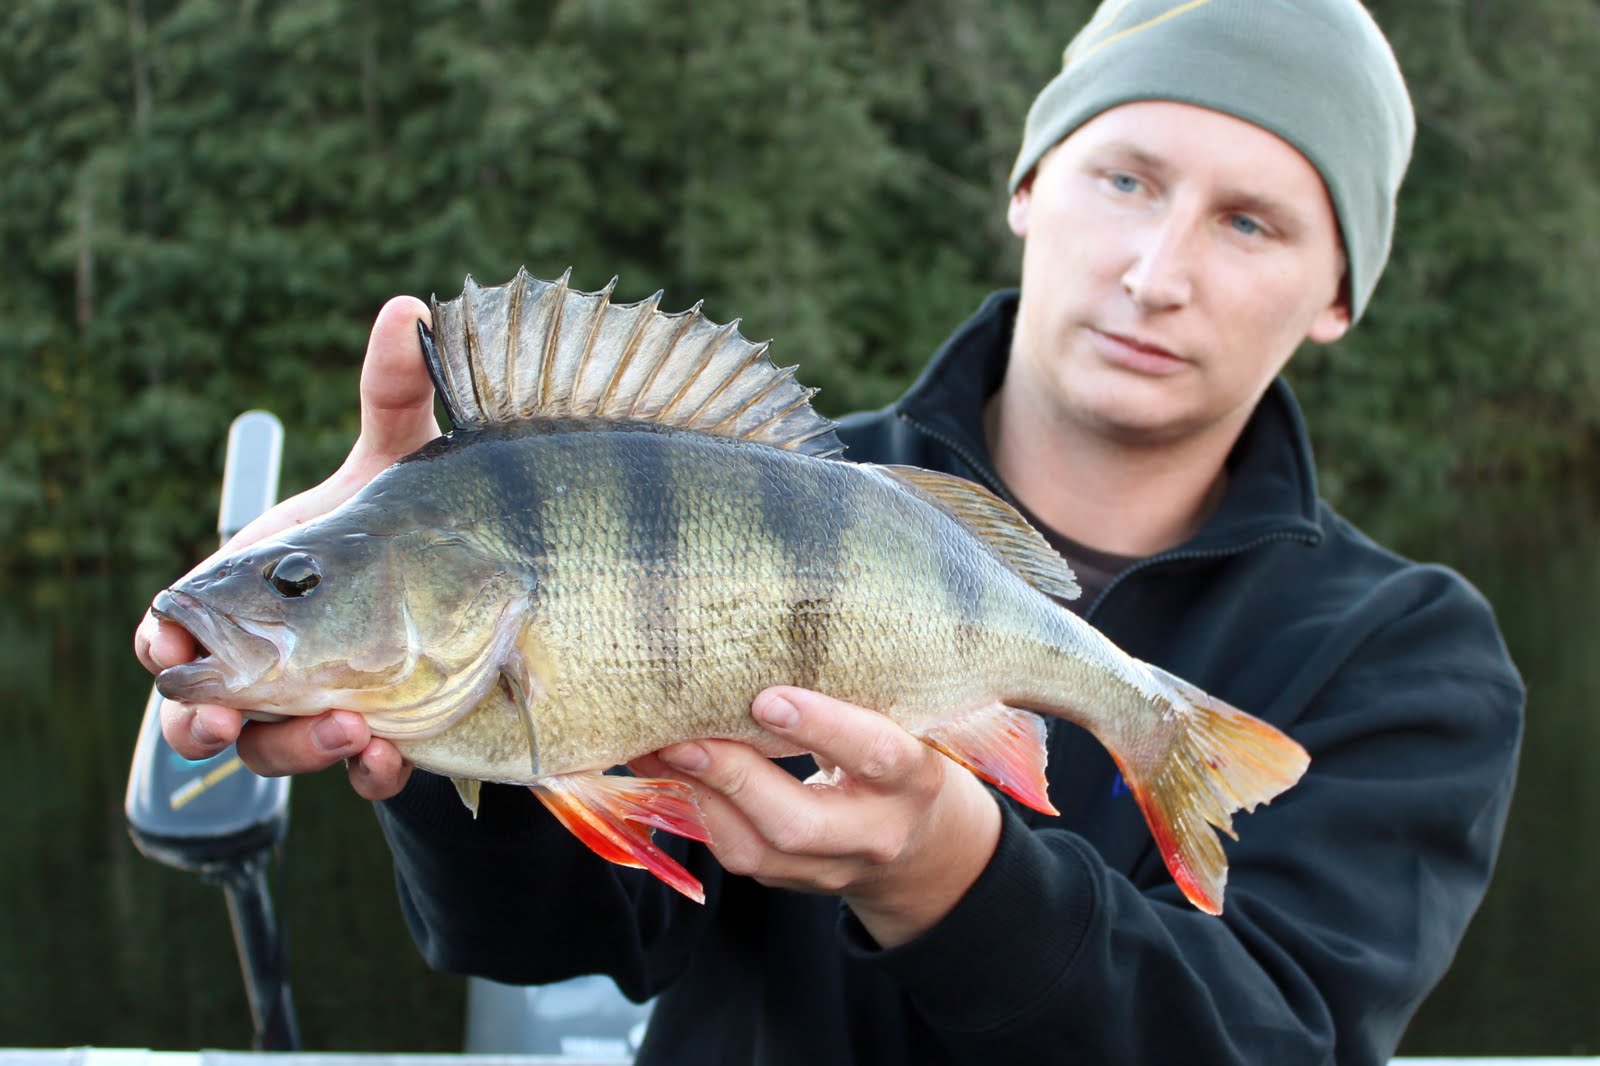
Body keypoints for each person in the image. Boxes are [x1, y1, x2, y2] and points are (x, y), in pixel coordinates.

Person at [136, 1, 1524, 1062]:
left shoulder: (1412, 660)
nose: (1159, 273)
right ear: (1028, 185)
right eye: (1125, 180)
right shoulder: (784, 480)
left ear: (1339, 293)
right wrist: (410, 708)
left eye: (1252, 222)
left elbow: (1279, 1044)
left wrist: (952, 874)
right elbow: (543, 936)